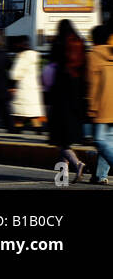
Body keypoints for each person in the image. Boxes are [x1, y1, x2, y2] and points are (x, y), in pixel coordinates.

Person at [47, 19, 89, 181]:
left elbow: (51, 67)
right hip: (76, 96)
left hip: (60, 95)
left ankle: (77, 163)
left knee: (59, 139)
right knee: (65, 139)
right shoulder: (80, 44)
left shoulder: (58, 44)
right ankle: (62, 176)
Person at [86, 24, 113, 185]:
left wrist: (91, 107)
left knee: (99, 140)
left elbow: (91, 84)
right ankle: (100, 176)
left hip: (101, 106)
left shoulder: (93, 55)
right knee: (107, 142)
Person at [9, 35, 44, 134]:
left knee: (20, 112)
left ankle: (17, 131)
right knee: (33, 112)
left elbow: (15, 73)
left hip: (23, 87)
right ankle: (38, 131)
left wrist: (11, 81)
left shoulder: (23, 56)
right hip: (33, 88)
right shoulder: (34, 55)